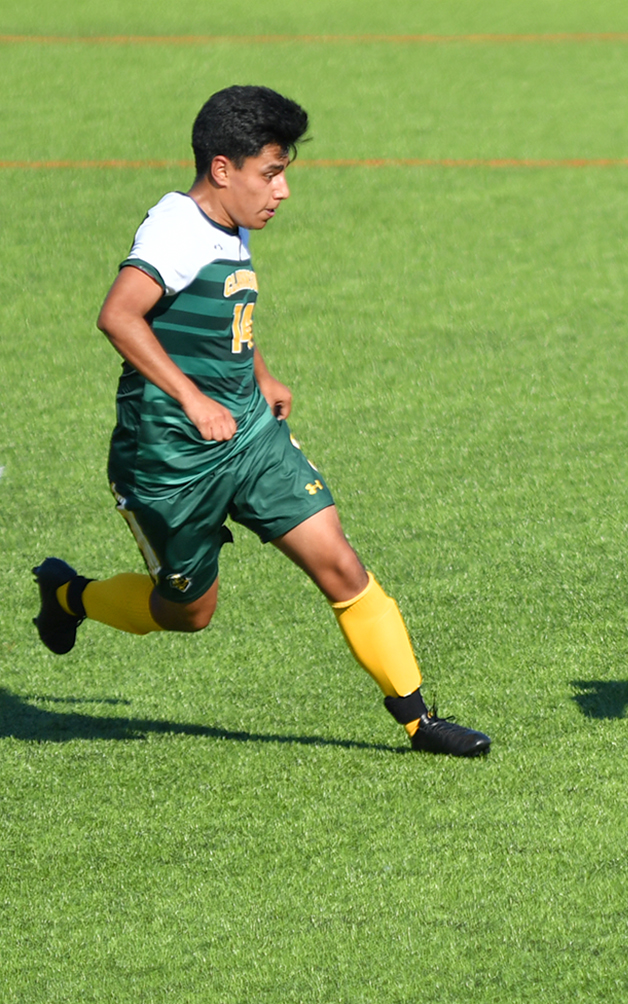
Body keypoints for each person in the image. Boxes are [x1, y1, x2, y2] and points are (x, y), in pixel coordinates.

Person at [30, 85, 491, 756]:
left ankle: (420, 721)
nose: (282, 191)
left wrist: (259, 374)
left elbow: (225, 317)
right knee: (188, 614)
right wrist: (193, 399)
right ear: (223, 168)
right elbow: (119, 314)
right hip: (168, 457)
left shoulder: (232, 224)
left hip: (247, 435)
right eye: (271, 173)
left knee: (339, 562)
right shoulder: (175, 228)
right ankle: (69, 595)